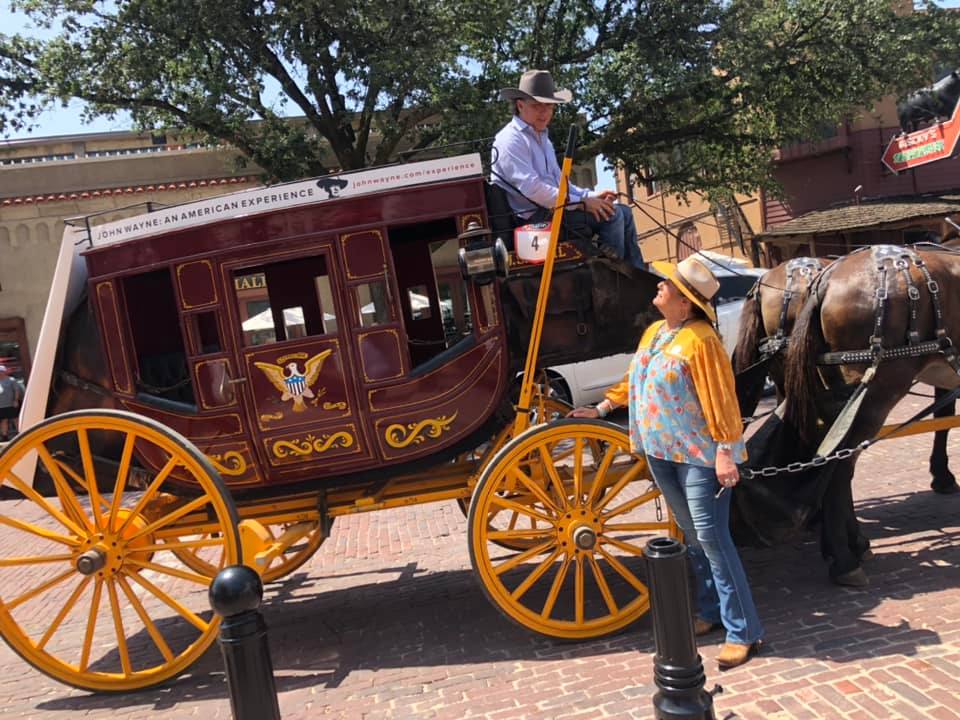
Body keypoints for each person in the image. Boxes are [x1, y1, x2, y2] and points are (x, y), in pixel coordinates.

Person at [569, 255, 763, 669]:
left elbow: (721, 397)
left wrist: (726, 452)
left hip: (699, 458)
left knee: (712, 539)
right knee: (694, 539)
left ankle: (743, 630)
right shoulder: (657, 332)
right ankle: (711, 612)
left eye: (667, 284)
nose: (659, 286)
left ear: (685, 302)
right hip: (661, 453)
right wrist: (602, 408)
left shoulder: (701, 340)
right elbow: (635, 379)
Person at [491, 69, 646, 270]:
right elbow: (534, 190)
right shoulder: (510, 140)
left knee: (624, 211)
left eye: (549, 106)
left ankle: (637, 273)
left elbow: (560, 183)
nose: (545, 112)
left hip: (554, 208)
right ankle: (613, 276)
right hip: (534, 217)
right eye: (537, 106)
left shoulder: (542, 138)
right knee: (613, 215)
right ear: (520, 105)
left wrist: (592, 195)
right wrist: (582, 203)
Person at [0, 365, 23, 441]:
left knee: (15, 419)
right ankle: (4, 436)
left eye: (1, 371)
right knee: (4, 420)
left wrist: (15, 400)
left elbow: (16, 390)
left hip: (11, 404)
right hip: (1, 406)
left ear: (4, 372)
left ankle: (21, 433)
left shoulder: (11, 380)